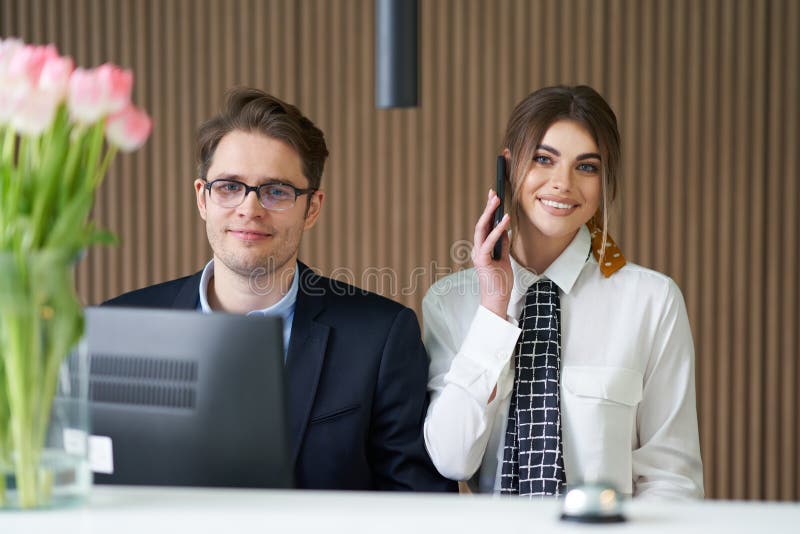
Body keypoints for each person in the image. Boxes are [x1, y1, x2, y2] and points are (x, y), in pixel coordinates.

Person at [106, 87, 455, 492]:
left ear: (313, 207)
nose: (250, 209)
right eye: (229, 186)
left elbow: (418, 507)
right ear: (202, 198)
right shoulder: (121, 326)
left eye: (276, 191)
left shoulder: (380, 336)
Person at [422, 85, 703, 498]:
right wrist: (493, 310)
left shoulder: (653, 302)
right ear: (507, 167)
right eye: (543, 159)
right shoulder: (450, 302)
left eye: (586, 167)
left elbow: (672, 481)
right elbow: (451, 459)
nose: (563, 183)